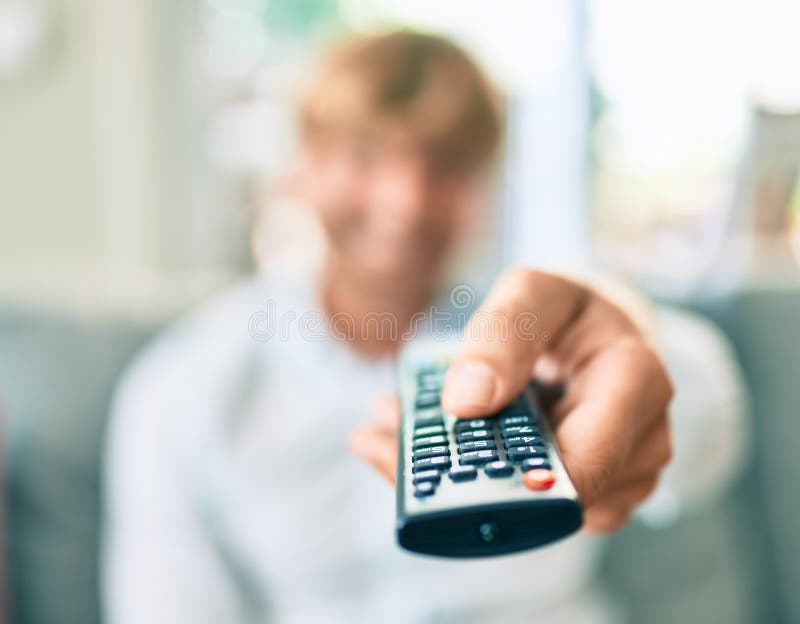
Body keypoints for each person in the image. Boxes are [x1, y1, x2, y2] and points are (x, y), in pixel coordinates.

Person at [102, 31, 745, 623]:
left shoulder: (543, 339)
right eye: (365, 155)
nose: (405, 202)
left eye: (447, 163)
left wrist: (631, 343)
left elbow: (706, 424)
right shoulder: (186, 385)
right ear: (306, 164)